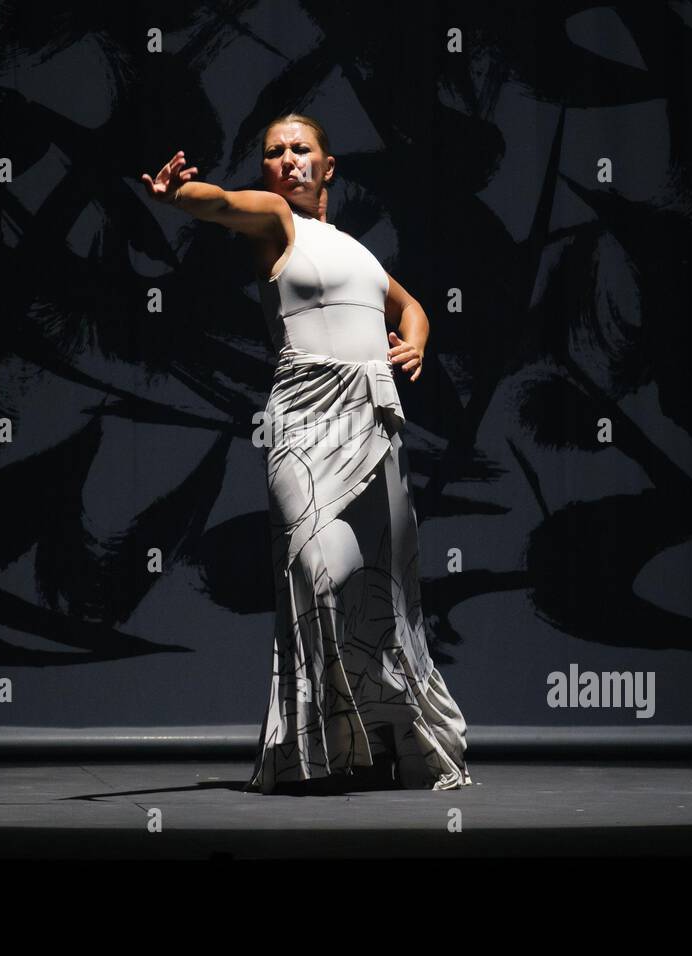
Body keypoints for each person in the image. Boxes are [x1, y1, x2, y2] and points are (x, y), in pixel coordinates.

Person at [141, 113, 474, 795]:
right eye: (274, 153)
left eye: (302, 150)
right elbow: (224, 203)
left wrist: (414, 341)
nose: (288, 161)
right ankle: (317, 751)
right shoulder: (276, 223)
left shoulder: (358, 251)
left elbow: (410, 307)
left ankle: (384, 748)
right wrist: (178, 197)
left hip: (374, 427)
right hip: (307, 423)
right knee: (317, 572)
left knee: (382, 600)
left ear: (328, 166)